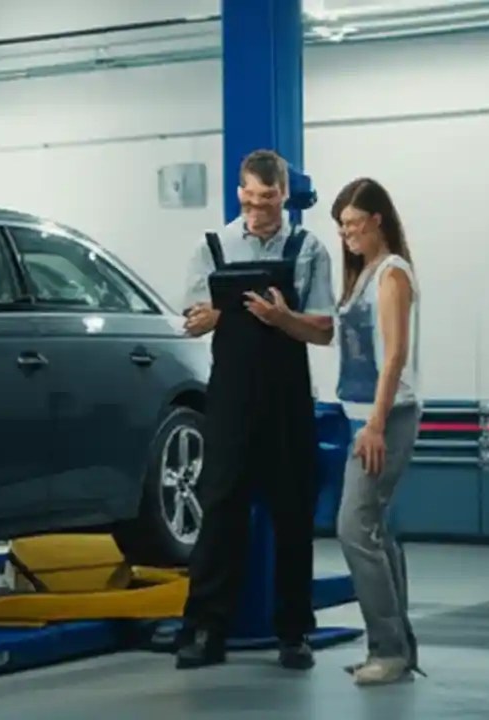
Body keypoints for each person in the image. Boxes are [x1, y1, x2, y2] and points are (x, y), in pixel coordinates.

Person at [175, 149, 337, 671]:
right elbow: (194, 316)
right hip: (230, 399)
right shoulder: (212, 247)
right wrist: (204, 321)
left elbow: (324, 329)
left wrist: (281, 316)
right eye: (249, 194)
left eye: (268, 196)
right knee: (220, 510)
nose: (257, 205)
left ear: (284, 195)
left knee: (292, 514)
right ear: (239, 191)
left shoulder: (308, 248)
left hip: (288, 400)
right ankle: (204, 629)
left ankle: (294, 633)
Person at [329, 178, 423, 685]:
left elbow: (394, 356)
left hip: (385, 418)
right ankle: (396, 647)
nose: (346, 234)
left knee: (353, 526)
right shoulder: (362, 274)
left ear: (377, 221)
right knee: (376, 531)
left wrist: (376, 423)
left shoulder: (391, 274)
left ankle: (389, 650)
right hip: (359, 417)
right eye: (341, 226)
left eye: (353, 224)